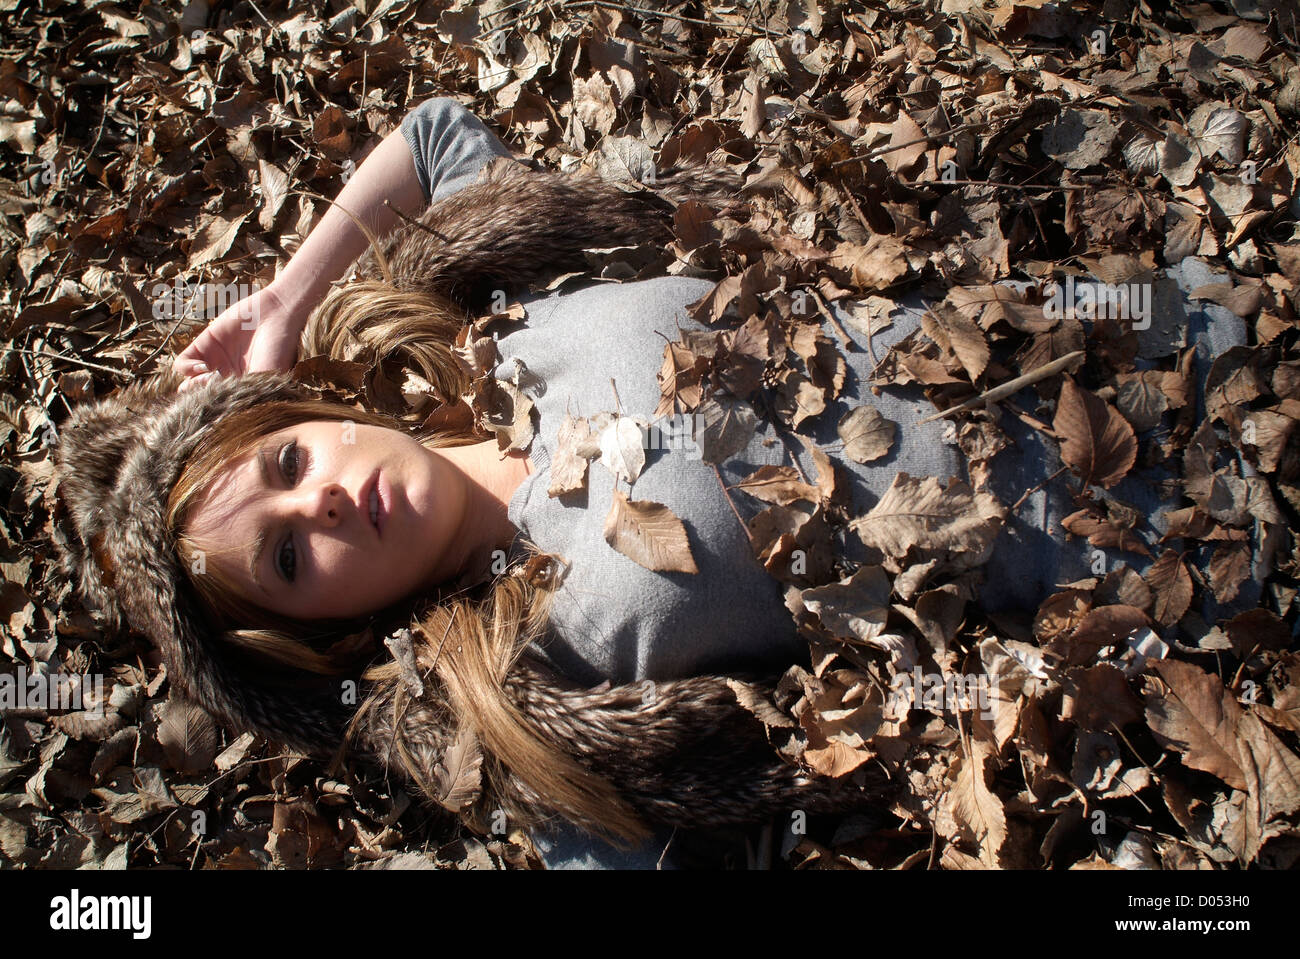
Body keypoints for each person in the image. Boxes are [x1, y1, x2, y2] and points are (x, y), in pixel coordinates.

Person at [51, 98, 1260, 869]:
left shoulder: (489, 319)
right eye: (284, 556)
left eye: (285, 459)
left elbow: (431, 137)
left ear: (308, 409)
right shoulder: (516, 687)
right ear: (308, 634)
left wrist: (280, 300)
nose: (316, 503)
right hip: (1171, 560)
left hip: (1130, 332)